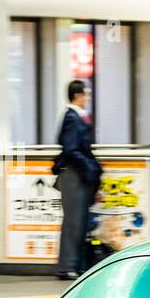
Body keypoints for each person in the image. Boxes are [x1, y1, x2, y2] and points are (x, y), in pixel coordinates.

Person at [52, 80, 102, 280]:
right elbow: (71, 149)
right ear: (77, 96)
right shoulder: (72, 117)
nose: (87, 98)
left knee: (80, 221)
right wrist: (90, 167)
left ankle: (76, 265)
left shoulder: (78, 116)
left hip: (79, 173)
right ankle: (67, 266)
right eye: (86, 94)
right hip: (73, 174)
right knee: (74, 222)